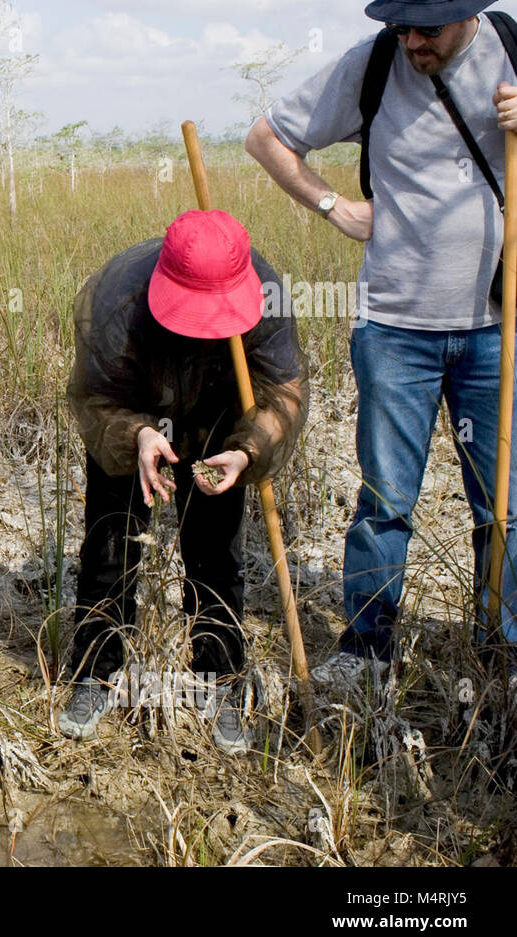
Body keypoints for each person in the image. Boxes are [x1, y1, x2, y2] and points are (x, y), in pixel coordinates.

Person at [246, 0, 517, 695]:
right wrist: (336, 207)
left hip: (497, 323)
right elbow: (267, 137)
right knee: (385, 498)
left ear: (470, 13)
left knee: (505, 501)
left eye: (428, 28)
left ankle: (502, 644)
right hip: (394, 329)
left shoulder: (514, 47)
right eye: (402, 27)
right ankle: (368, 645)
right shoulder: (372, 63)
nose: (412, 41)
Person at [62, 210, 308, 754]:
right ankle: (96, 673)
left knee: (216, 549)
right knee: (111, 539)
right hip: (134, 408)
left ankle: (218, 679)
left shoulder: (266, 296)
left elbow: (283, 392)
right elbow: (96, 399)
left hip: (220, 414)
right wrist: (137, 437)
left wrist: (247, 452)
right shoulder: (118, 301)